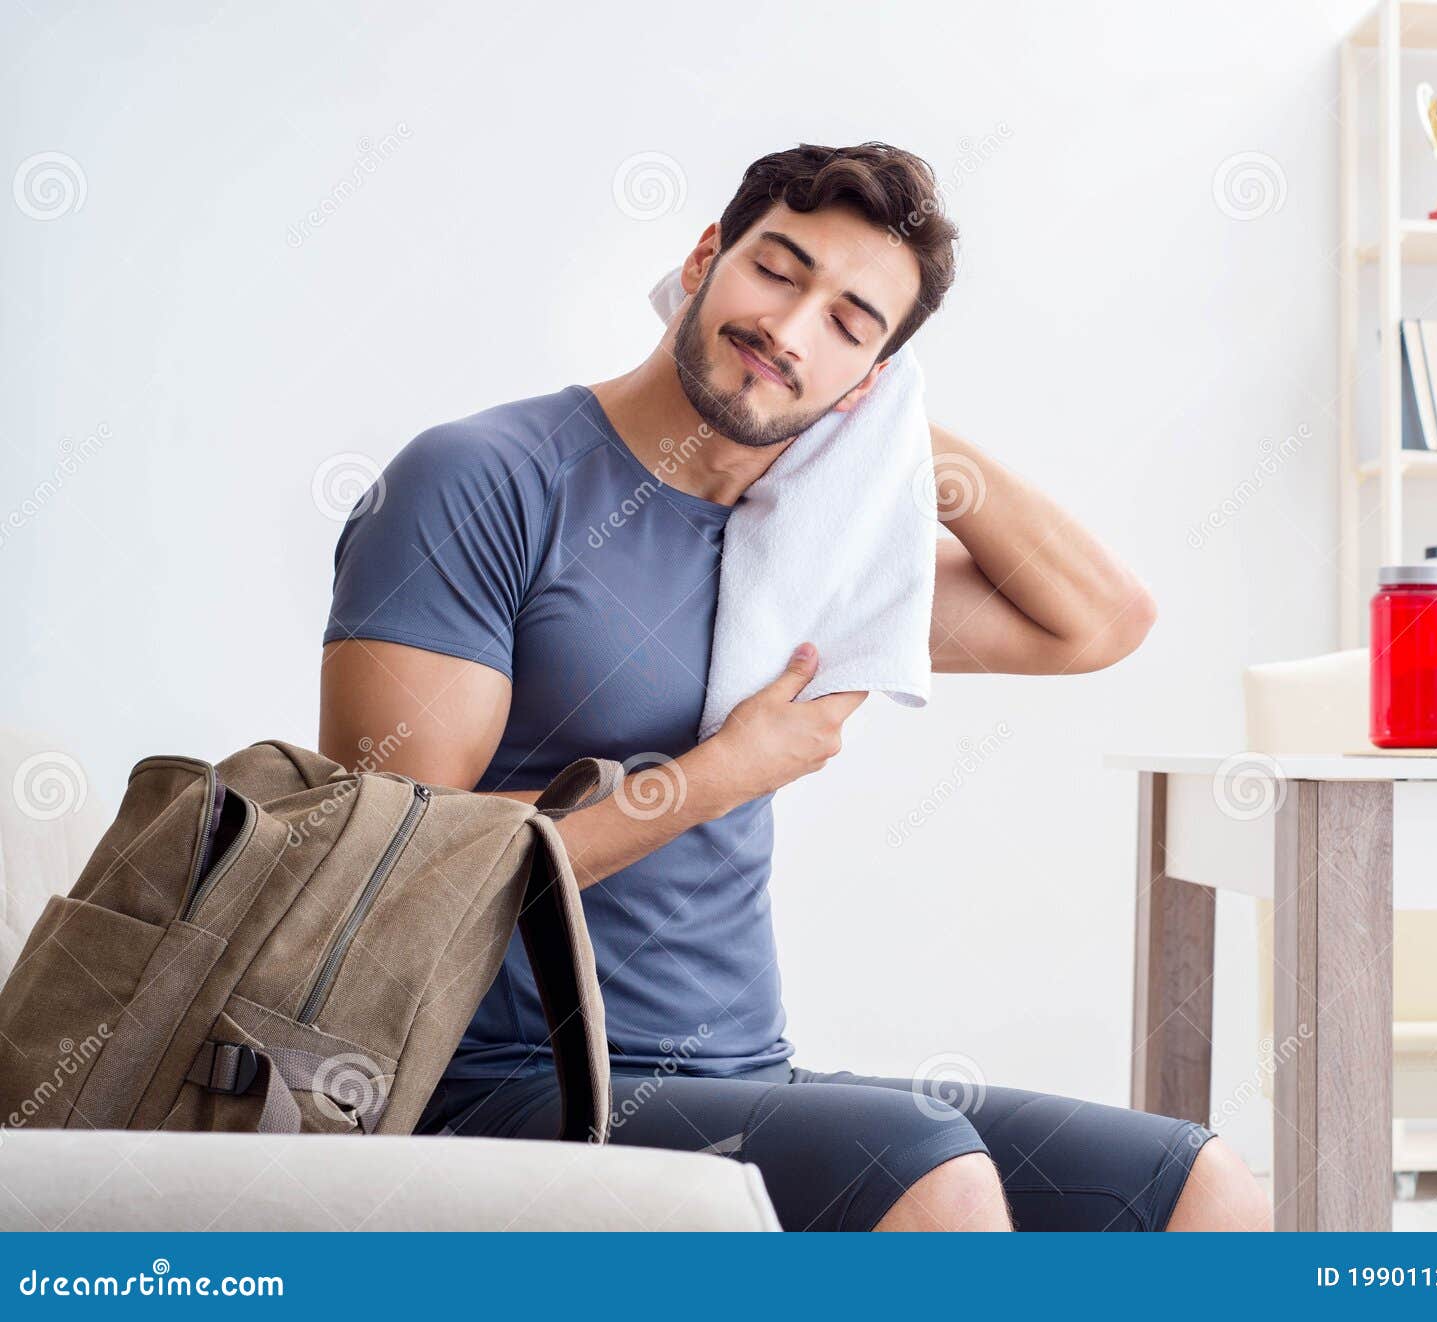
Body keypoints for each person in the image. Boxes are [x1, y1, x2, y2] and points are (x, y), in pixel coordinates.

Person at [318, 141, 1269, 1231]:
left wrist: (897, 430)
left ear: (870, 379)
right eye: (777, 270)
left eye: (849, 323)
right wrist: (711, 779)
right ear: (703, 256)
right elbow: (388, 877)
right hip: (481, 1083)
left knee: (1204, 1185)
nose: (788, 329)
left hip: (738, 1075)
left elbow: (1100, 619)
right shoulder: (482, 479)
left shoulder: (800, 554)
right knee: (932, 1171)